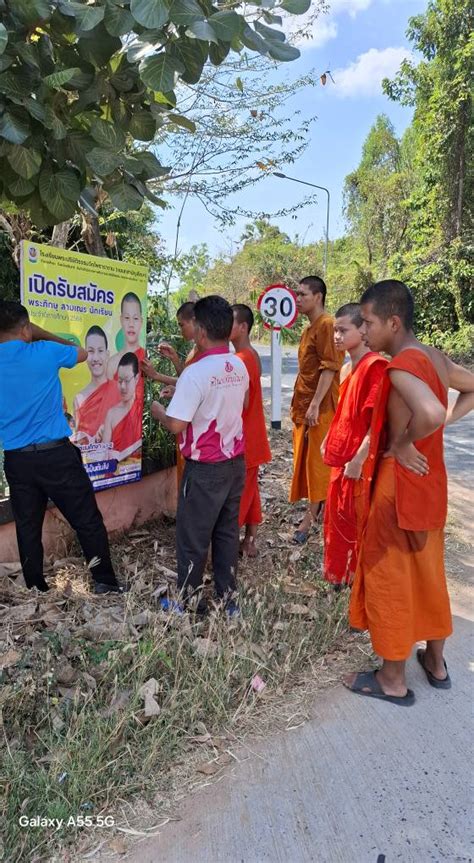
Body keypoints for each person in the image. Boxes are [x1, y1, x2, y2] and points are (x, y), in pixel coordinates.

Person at [345, 279, 474, 706]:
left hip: (398, 488)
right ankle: (435, 664)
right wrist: (439, 431)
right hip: (430, 483)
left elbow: (432, 411)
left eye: (368, 323)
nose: (363, 332)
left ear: (393, 322)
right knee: (429, 575)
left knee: (391, 578)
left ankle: (393, 680)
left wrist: (403, 443)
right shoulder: (434, 358)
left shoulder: (400, 364)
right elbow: (469, 388)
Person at [0, 301, 124, 594]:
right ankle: (104, 582)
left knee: (27, 527)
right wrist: (41, 334)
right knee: (86, 519)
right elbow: (81, 353)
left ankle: (36, 588)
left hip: (16, 460)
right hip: (56, 455)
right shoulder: (44, 351)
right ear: (26, 329)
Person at [151, 295, 249, 616]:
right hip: (235, 464)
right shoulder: (238, 364)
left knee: (192, 537)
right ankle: (227, 601)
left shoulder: (196, 373)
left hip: (205, 469)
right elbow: (244, 406)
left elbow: (178, 424)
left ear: (201, 332)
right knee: (225, 533)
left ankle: (188, 602)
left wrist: (158, 411)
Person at [321, 303, 388, 586]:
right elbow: (343, 414)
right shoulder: (348, 368)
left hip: (358, 464)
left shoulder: (375, 367)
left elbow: (378, 423)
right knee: (337, 522)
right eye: (335, 330)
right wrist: (328, 437)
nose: (336, 336)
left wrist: (359, 460)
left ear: (363, 330)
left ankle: (356, 583)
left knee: (356, 524)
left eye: (343, 330)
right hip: (342, 461)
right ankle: (340, 579)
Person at [290, 276, 344, 543]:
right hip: (305, 405)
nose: (298, 299)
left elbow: (330, 366)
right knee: (306, 461)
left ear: (318, 297)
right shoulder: (308, 329)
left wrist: (314, 404)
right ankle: (316, 508)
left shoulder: (327, 325)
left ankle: (311, 519)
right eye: (297, 295)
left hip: (320, 408)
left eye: (303, 294)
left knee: (318, 464)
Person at [142, 301, 199, 489]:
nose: (180, 330)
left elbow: (192, 385)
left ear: (196, 321)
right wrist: (173, 360)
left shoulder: (206, 354)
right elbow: (188, 381)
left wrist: (159, 413)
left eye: (182, 325)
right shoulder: (195, 350)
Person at [230, 303, 271, 557]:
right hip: (254, 435)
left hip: (244, 437)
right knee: (250, 489)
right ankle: (250, 541)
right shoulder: (252, 354)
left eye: (230, 322)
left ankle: (227, 543)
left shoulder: (240, 360)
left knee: (240, 495)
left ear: (243, 327)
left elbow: (241, 402)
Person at [73, 326, 119, 442]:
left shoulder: (120, 391)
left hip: (118, 458)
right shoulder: (79, 399)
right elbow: (79, 440)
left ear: (107, 354)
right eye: (91, 351)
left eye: (100, 351)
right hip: (89, 458)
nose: (95, 358)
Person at [102, 352, 142, 461]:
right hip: (114, 472)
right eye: (120, 381)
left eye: (127, 380)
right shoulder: (112, 413)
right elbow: (104, 453)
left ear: (137, 378)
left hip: (134, 469)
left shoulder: (141, 409)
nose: (123, 386)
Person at [107, 292, 145, 380]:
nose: (131, 324)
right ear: (121, 320)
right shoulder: (112, 363)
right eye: (127, 318)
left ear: (141, 322)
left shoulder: (145, 358)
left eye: (135, 318)